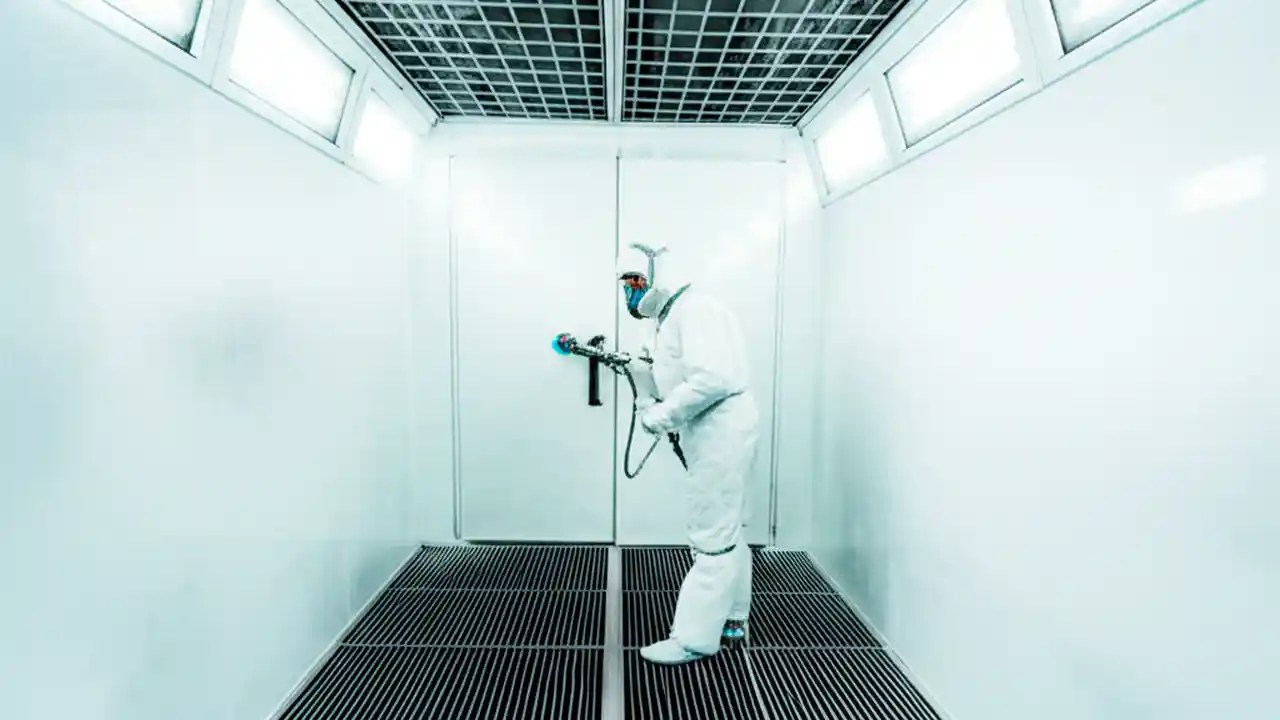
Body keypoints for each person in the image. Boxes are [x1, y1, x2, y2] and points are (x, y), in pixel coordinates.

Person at [617, 242, 761, 665]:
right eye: (627, 285)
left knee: (710, 535)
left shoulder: (697, 310)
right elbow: (672, 367)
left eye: (636, 282)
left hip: (720, 431)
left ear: (659, 276)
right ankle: (733, 619)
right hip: (712, 431)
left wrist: (658, 416)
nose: (631, 294)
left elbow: (712, 379)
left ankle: (695, 639)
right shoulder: (670, 316)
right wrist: (636, 366)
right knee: (728, 527)